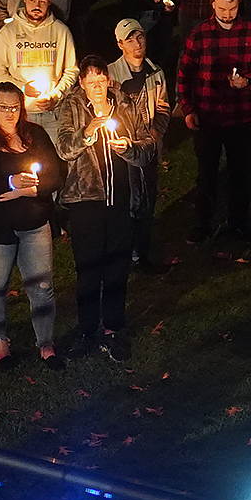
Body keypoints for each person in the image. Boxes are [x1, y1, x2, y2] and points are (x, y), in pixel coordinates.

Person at [55, 56, 154, 362]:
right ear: (82, 83)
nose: (98, 87)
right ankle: (87, 331)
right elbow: (64, 148)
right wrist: (87, 135)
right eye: (91, 82)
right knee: (88, 270)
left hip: (121, 200)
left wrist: (129, 149)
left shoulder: (124, 104)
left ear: (109, 80)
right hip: (87, 201)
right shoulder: (72, 107)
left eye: (101, 81)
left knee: (117, 268)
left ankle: (113, 329)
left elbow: (147, 147)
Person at [0, 82, 66, 370]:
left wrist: (29, 191)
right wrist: (10, 182)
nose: (10, 113)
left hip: (34, 222)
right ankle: (0, 341)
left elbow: (56, 174)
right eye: (3, 107)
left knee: (42, 286)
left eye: (15, 107)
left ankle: (45, 343)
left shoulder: (35, 135)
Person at [176, 0, 251, 243]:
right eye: (222, 9)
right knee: (207, 173)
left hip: (239, 114)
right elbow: (184, 74)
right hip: (208, 115)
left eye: (232, 9)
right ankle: (203, 223)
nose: (227, 14)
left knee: (240, 172)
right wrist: (188, 108)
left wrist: (247, 81)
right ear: (212, 5)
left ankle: (239, 220)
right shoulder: (199, 34)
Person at [108, 18, 172, 272]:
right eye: (130, 40)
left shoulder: (155, 73)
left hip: (147, 148)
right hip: (120, 149)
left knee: (146, 201)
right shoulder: (111, 75)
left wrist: (156, 132)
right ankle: (123, 252)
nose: (137, 44)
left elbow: (163, 107)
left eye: (140, 37)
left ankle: (141, 254)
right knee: (124, 203)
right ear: (120, 44)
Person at [0, 0, 78, 140]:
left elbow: (71, 71)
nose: (37, 6)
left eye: (42, 1)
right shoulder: (8, 32)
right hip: (20, 114)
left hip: (53, 114)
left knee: (54, 155)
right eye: (32, 0)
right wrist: (22, 88)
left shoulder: (61, 31)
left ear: (49, 1)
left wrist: (55, 96)